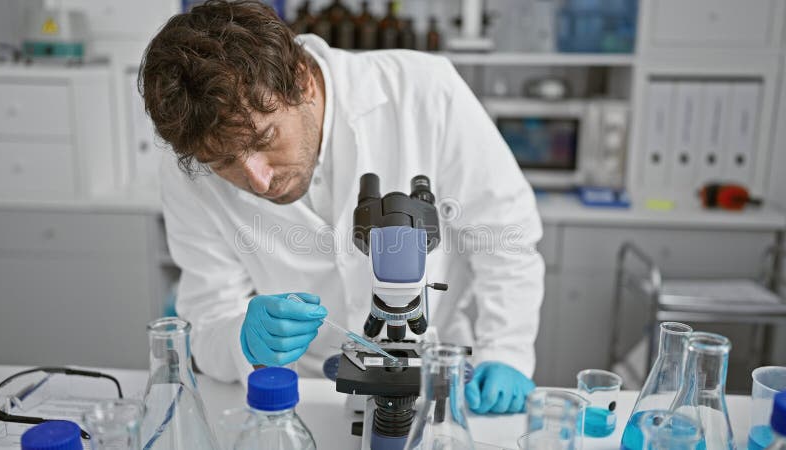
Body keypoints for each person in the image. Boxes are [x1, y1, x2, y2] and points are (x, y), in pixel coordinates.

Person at [140, 0, 544, 415]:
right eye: (225, 162)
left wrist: (506, 351)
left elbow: (505, 239)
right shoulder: (190, 169)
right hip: (301, 391)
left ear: (302, 81)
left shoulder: (424, 91)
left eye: (264, 140)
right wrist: (241, 339)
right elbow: (208, 320)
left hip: (432, 373)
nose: (258, 181)